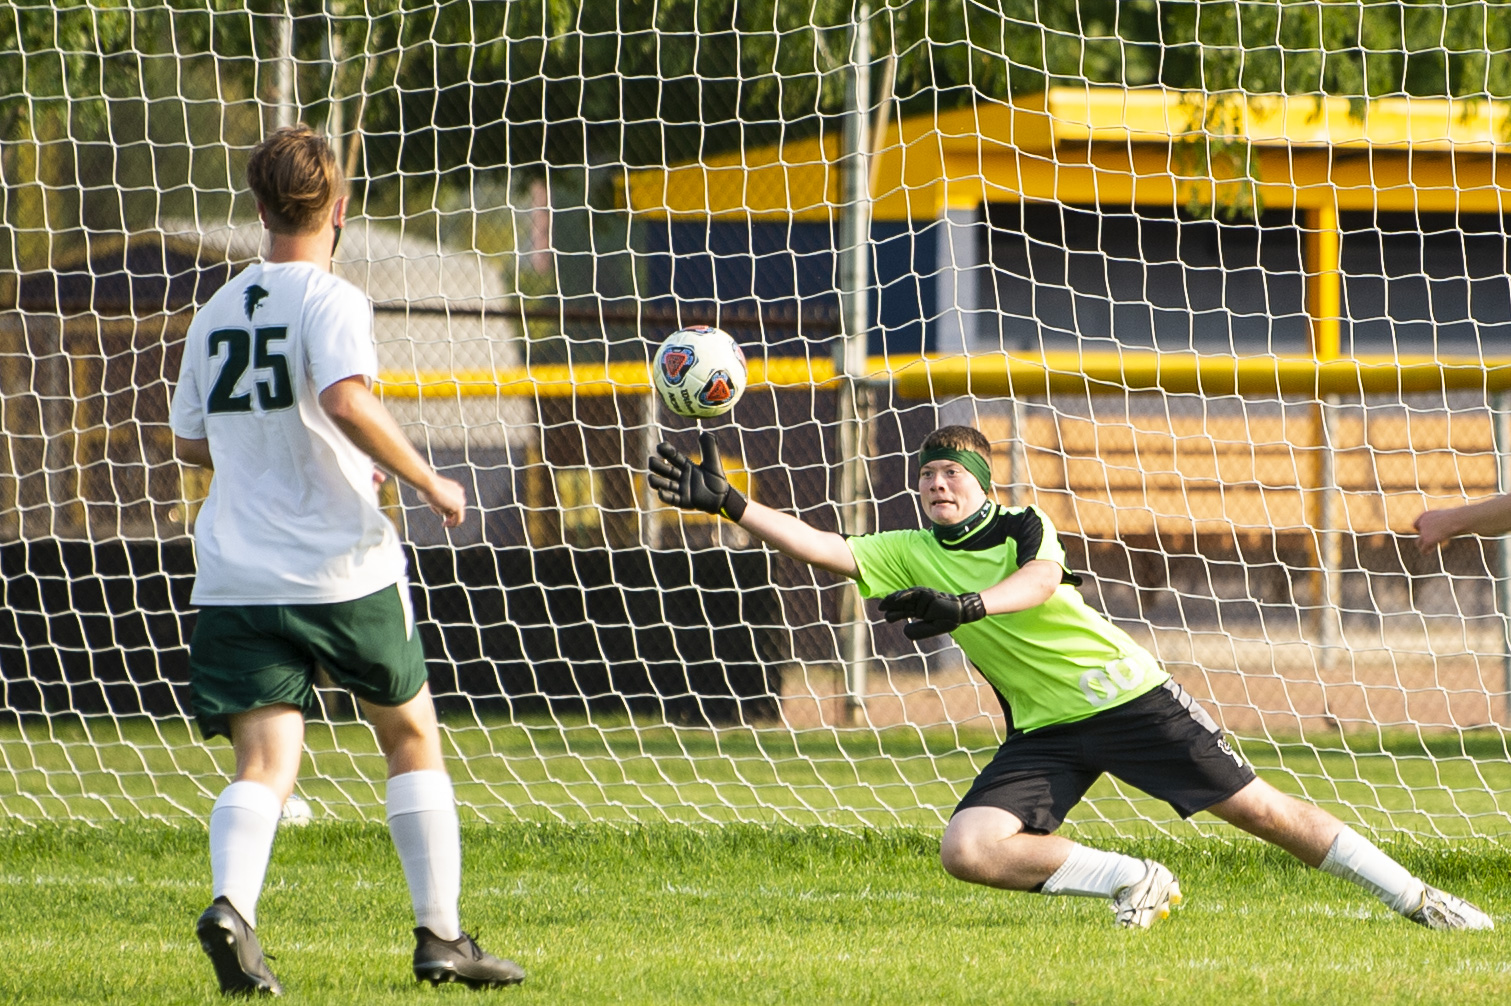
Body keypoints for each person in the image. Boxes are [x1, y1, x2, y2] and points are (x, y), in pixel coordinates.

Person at [649, 424, 1493, 930]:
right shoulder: (902, 547)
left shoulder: (1021, 522)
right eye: (926, 474)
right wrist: (730, 503)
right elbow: (825, 548)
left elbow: (1038, 585)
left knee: (1264, 813)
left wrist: (968, 608)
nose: (937, 483)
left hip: (1121, 696)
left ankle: (1420, 900)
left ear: (980, 486)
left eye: (953, 474)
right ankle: (1131, 878)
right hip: (1045, 728)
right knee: (968, 849)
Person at [170, 125, 525, 995]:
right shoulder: (333, 298)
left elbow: (188, 442)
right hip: (339, 567)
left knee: (265, 765)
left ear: (256, 208)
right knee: (408, 735)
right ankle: (441, 936)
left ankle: (232, 908)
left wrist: (271, 452)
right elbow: (344, 398)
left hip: (234, 574)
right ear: (338, 208)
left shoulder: (215, 312)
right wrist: (430, 478)